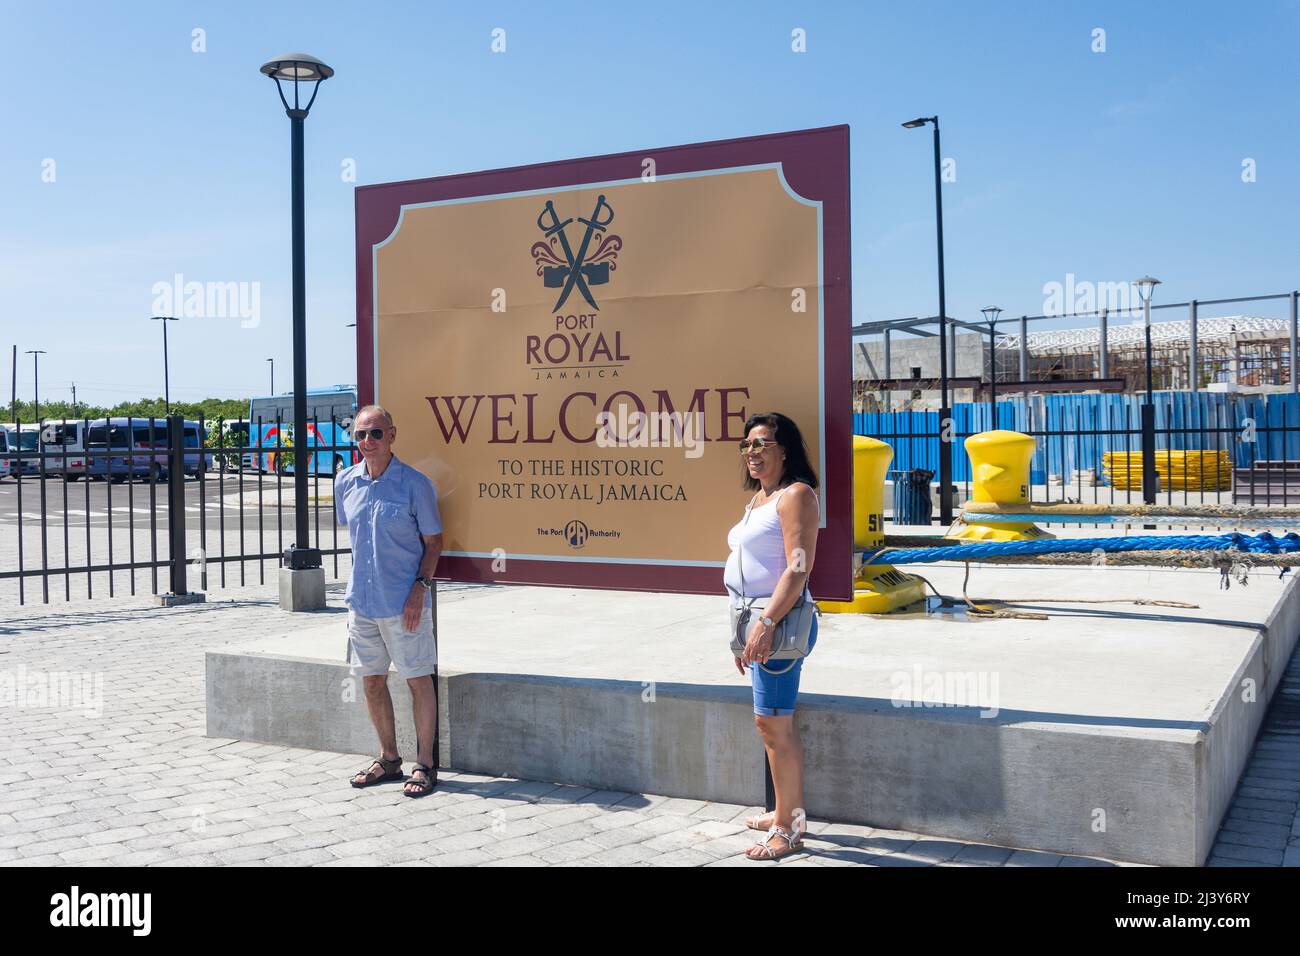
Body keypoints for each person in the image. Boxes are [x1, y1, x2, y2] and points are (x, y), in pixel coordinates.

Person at [724, 411, 820, 860]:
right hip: (756, 622)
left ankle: (788, 827)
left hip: (778, 624)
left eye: (761, 444)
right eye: (746, 446)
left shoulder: (795, 495)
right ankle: (783, 809)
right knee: (769, 724)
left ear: (786, 449)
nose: (752, 453)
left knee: (775, 725)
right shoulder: (760, 500)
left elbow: (797, 568)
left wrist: (765, 625)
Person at [335, 404, 443, 797]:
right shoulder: (345, 482)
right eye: (360, 435)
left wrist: (420, 587)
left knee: (418, 680)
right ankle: (389, 758)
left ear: (392, 435)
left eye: (375, 434)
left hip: (404, 604)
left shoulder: (415, 485)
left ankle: (426, 766)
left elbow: (434, 543)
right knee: (372, 681)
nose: (367, 442)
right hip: (361, 603)